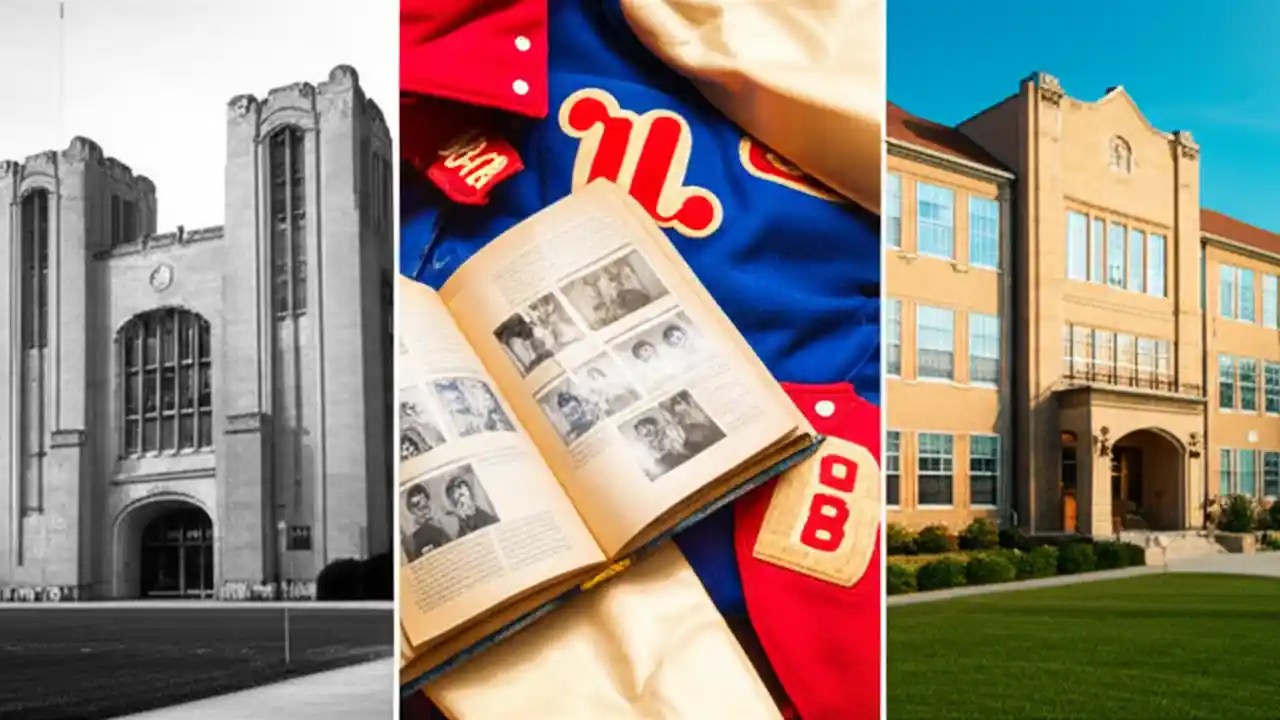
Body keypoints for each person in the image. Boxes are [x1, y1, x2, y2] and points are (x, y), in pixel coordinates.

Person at [404, 484, 453, 558]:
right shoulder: (410, 541)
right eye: (416, 505)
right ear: (411, 510)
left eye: (425, 504)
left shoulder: (446, 522)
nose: (422, 508)